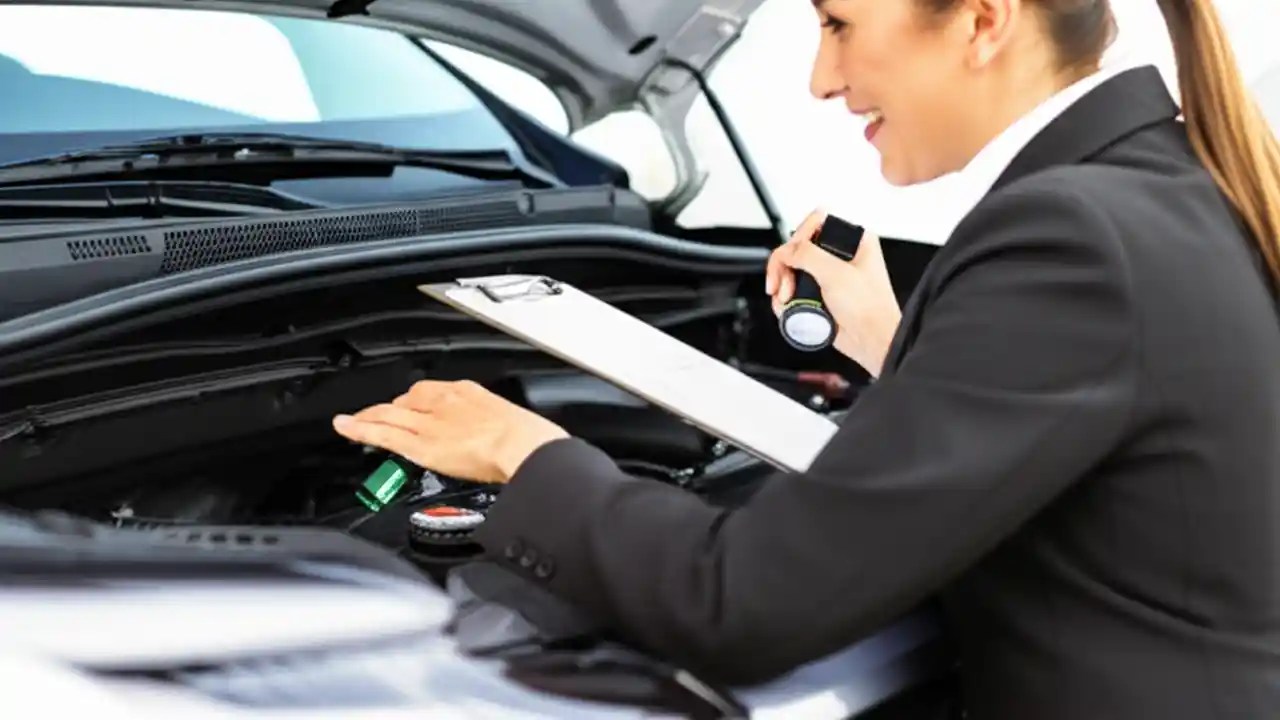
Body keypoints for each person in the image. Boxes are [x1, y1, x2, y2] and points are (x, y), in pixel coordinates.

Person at [332, 0, 1280, 716]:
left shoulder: (1069, 235)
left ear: (983, 20)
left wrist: (519, 450)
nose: (821, 80)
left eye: (838, 24)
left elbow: (739, 603)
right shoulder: (1169, 181)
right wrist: (899, 345)